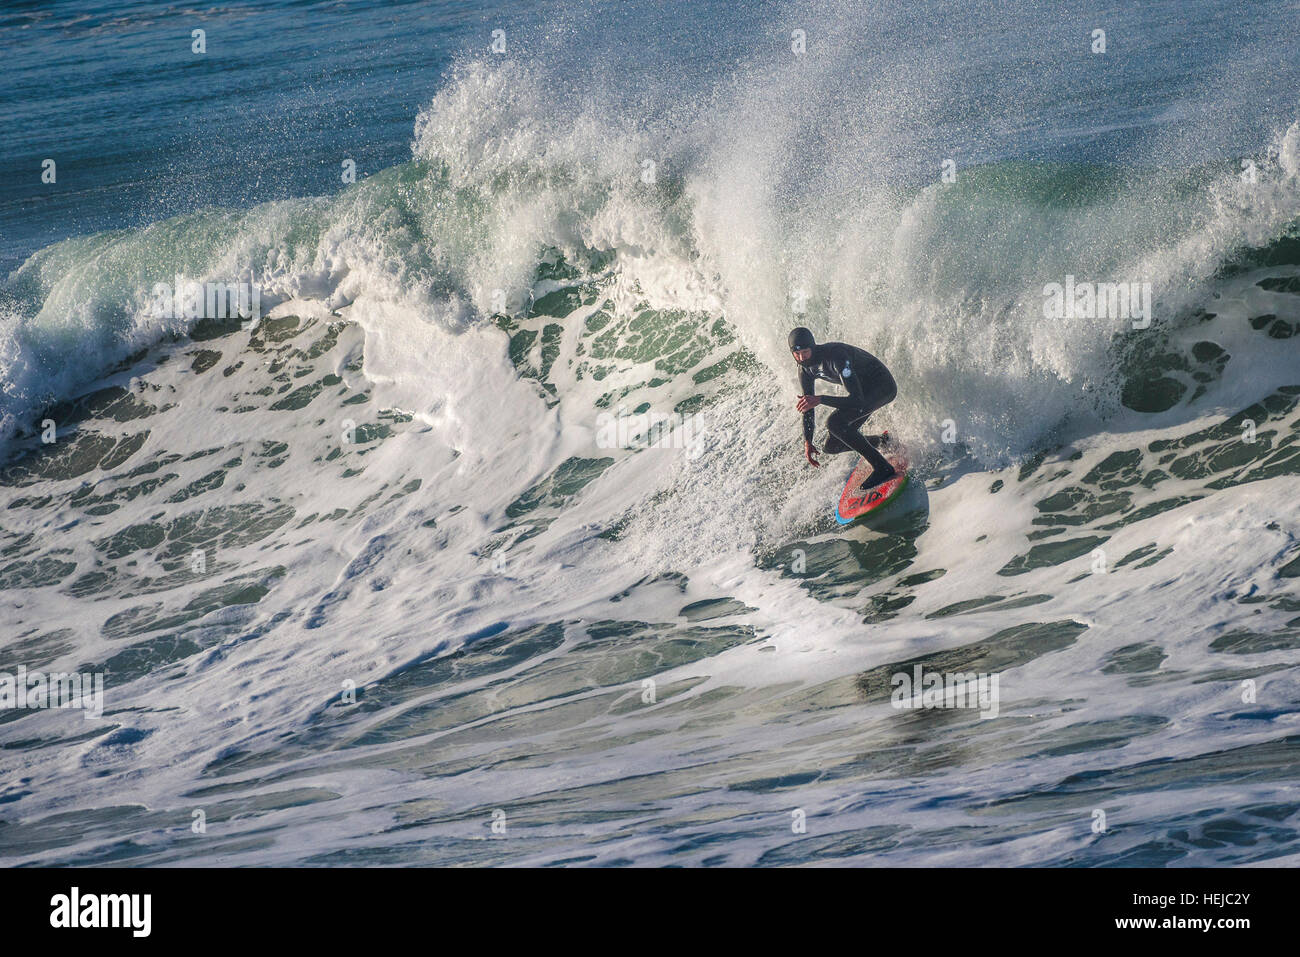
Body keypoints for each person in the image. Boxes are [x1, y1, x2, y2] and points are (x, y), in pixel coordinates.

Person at [789, 326, 898, 490]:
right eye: (796, 354)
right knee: (832, 446)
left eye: (805, 352)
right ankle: (884, 441)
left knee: (834, 423)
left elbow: (857, 400)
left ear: (813, 346)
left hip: (882, 386)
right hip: (863, 394)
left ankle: (883, 468)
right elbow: (807, 404)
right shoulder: (804, 369)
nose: (802, 357)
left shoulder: (836, 355)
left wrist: (820, 399)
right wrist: (807, 440)